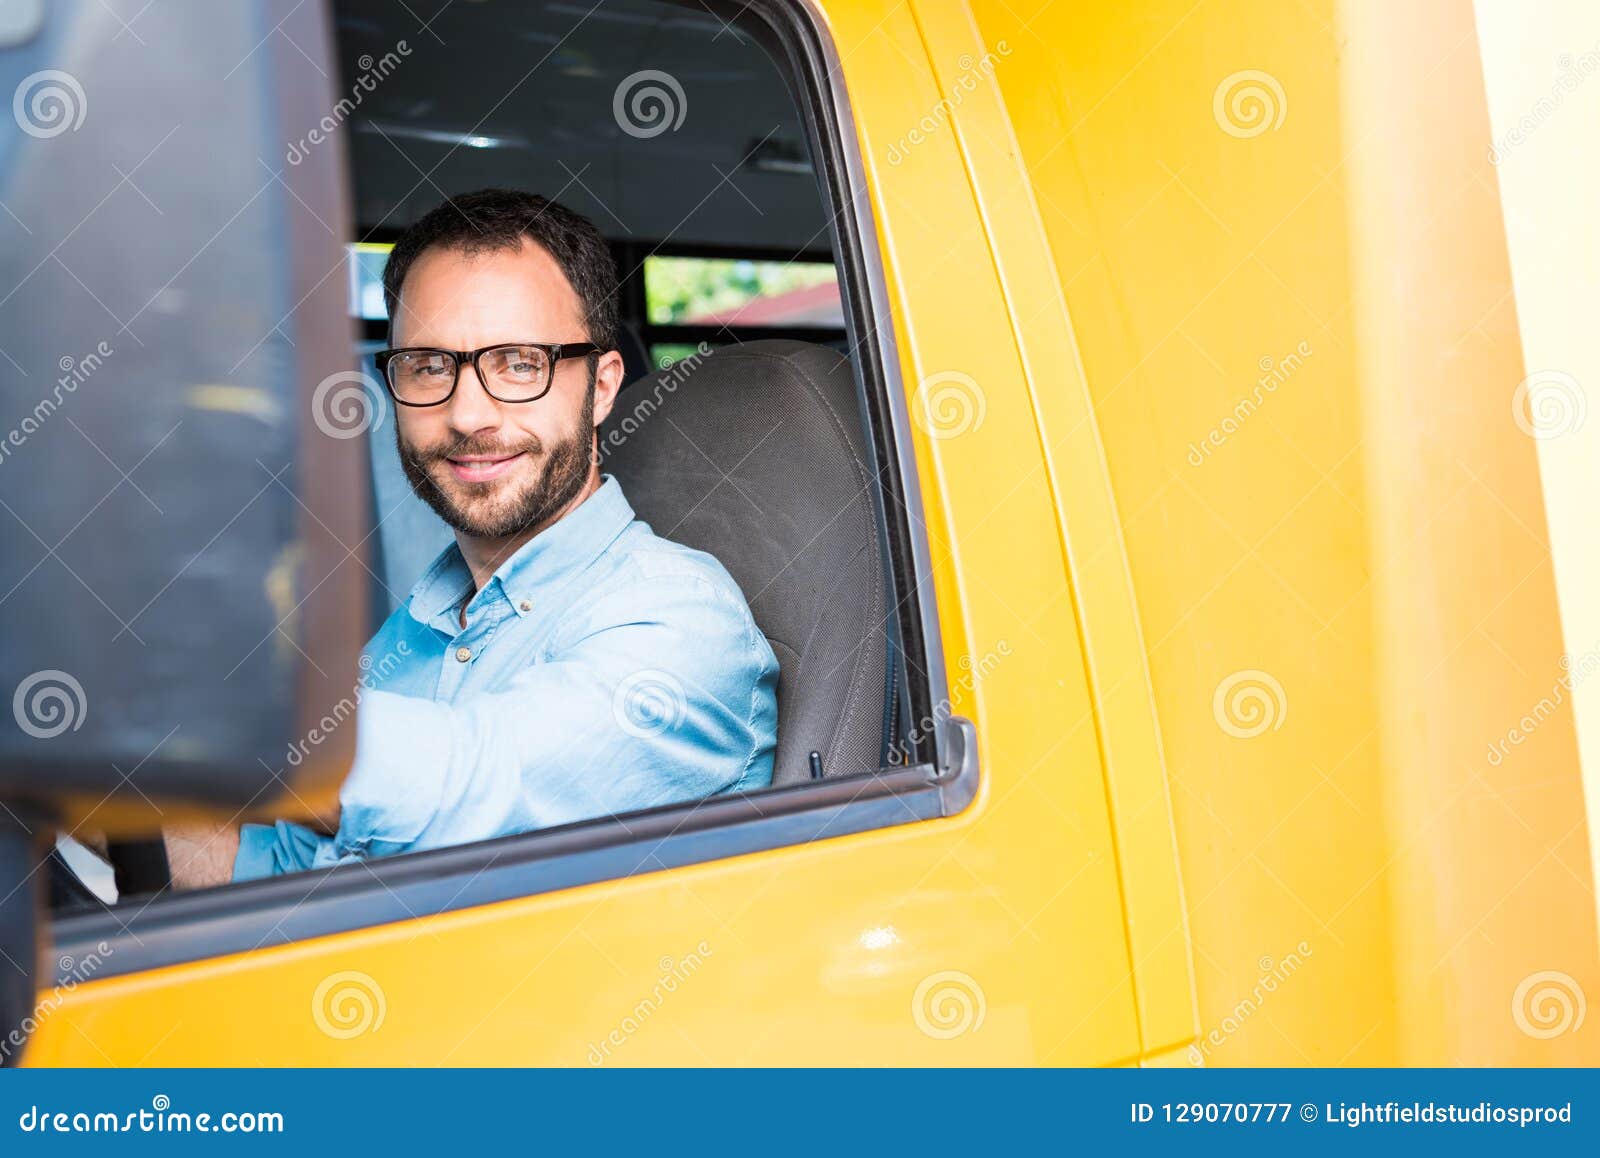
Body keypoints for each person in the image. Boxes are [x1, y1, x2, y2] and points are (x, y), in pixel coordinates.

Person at [164, 188, 778, 886]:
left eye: (519, 362)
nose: (467, 414)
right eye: (427, 365)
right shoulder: (420, 626)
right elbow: (281, 873)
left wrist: (181, 710)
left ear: (603, 386)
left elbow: (470, 782)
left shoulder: (684, 622)